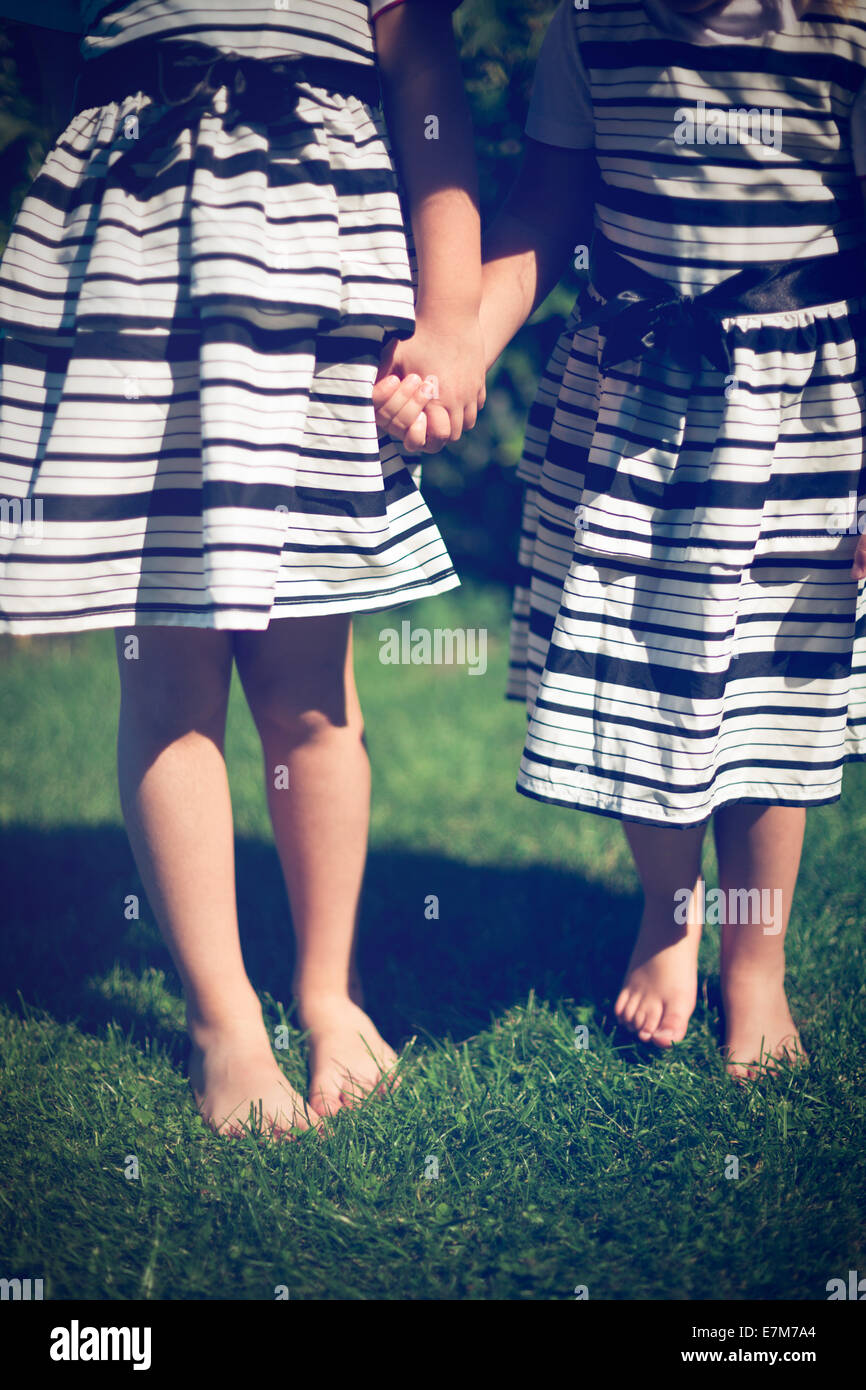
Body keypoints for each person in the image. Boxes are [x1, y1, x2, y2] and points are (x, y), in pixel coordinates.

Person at [0, 0, 484, 1133]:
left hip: (316, 253)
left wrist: (451, 319)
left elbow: (423, 78)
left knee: (310, 685)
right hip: (141, 252)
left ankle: (327, 992)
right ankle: (224, 1019)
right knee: (170, 673)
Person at [380, 0, 866, 1078]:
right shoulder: (590, 30)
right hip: (633, 408)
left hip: (791, 421)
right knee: (643, 680)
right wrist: (460, 347)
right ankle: (667, 912)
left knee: (768, 697)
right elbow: (546, 210)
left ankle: (756, 966)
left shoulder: (838, 34)